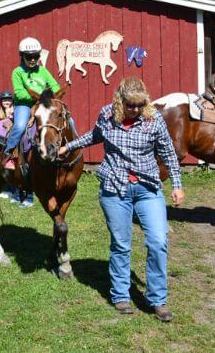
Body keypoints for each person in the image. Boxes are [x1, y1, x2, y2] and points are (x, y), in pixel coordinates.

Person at [58, 77, 184, 322]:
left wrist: (177, 185)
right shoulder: (107, 115)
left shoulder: (153, 119)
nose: (135, 110)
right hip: (115, 189)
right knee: (121, 244)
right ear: (120, 101)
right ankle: (120, 295)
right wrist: (69, 146)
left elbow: (168, 152)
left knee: (158, 241)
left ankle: (157, 299)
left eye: (140, 105)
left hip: (147, 188)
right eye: (130, 105)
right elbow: (94, 136)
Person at [4, 37, 61, 171]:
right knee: (19, 126)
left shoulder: (43, 71)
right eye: (29, 57)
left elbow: (56, 86)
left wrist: (50, 96)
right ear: (22, 56)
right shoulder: (17, 72)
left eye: (36, 56)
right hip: (24, 105)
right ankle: (9, 154)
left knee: (67, 122)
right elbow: (18, 93)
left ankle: (65, 150)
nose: (33, 59)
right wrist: (40, 95)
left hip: (43, 104)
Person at [0, 91, 33, 207]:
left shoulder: (17, 109)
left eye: (8, 100)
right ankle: (11, 190)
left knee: (22, 166)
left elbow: (19, 122)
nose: (6, 102)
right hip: (8, 135)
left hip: (17, 133)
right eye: (4, 100)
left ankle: (26, 195)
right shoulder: (0, 112)